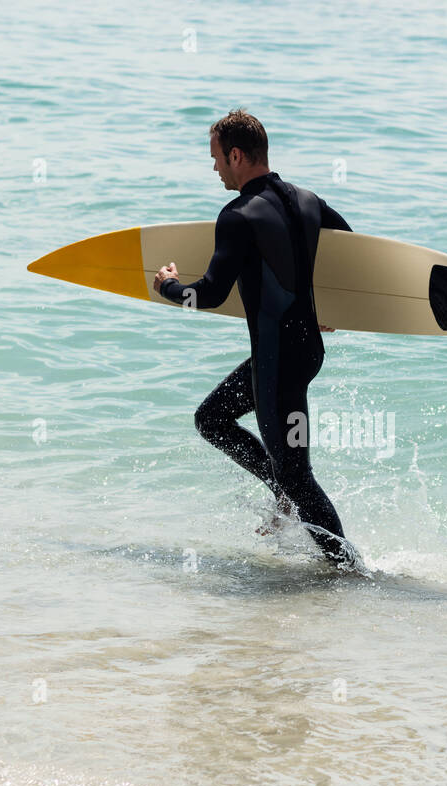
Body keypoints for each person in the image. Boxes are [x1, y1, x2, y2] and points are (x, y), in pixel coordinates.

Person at [152, 109, 357, 568]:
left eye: (217, 159)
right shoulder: (307, 200)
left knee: (298, 476)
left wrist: (167, 285)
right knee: (213, 420)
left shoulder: (239, 215)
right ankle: (285, 493)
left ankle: (349, 570)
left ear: (238, 155)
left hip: (277, 359)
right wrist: (325, 308)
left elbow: (207, 294)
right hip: (305, 352)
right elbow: (349, 250)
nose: (214, 168)